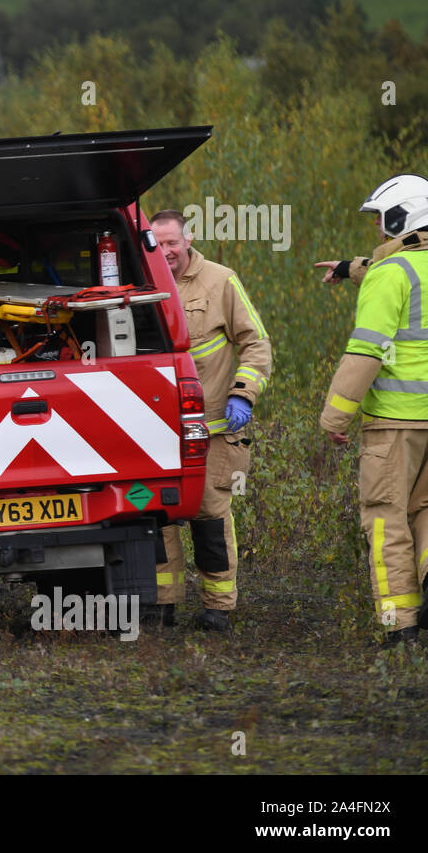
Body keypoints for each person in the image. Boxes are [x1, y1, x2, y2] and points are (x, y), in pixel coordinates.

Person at [320, 175, 428, 647]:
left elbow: (366, 353)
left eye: (381, 221)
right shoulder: (416, 267)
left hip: (394, 422)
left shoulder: (392, 275)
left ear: (399, 218)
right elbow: (399, 272)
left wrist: (335, 416)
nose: (378, 230)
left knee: (386, 517)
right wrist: (352, 267)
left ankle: (399, 624)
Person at [147, 210, 272, 631]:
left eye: (172, 244)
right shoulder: (140, 279)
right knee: (156, 519)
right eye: (157, 244)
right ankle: (161, 606)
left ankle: (218, 609)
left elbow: (255, 342)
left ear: (187, 240)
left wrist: (243, 393)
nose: (165, 253)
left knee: (209, 521)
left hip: (212, 432)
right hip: (155, 433)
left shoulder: (220, 280)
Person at [313, 175, 428, 288]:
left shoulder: (385, 279)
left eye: (380, 214)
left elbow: (389, 276)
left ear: (400, 215)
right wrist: (347, 268)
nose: (376, 222)